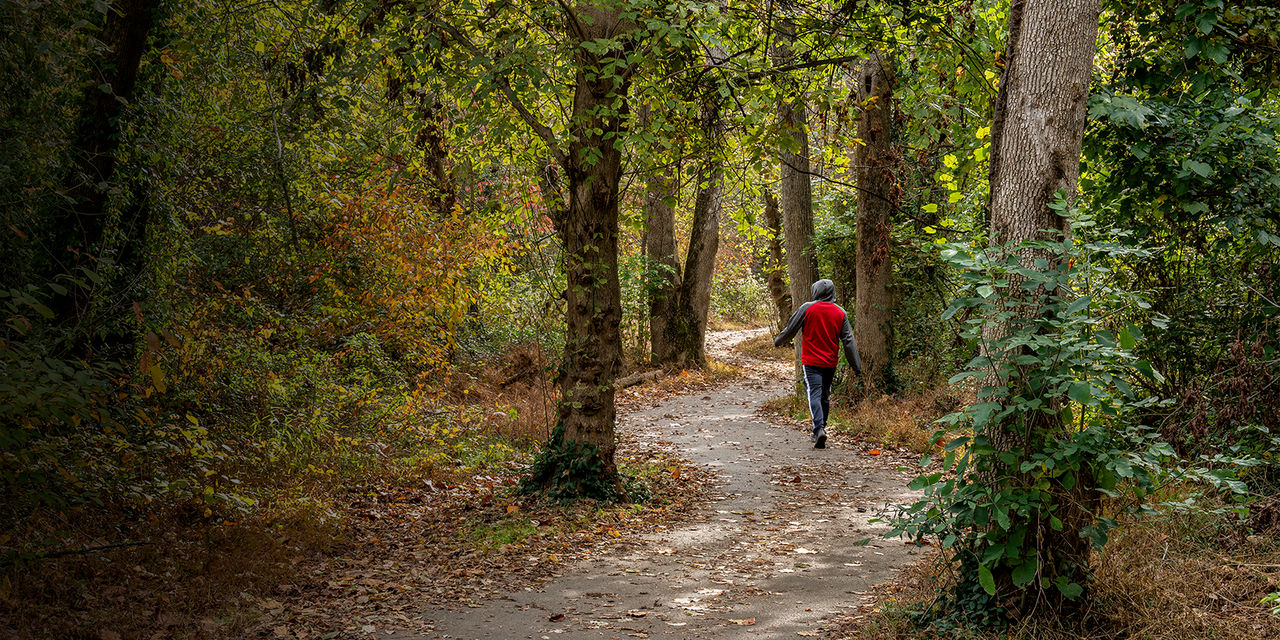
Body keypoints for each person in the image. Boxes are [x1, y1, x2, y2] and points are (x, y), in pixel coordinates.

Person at [773, 279, 861, 449]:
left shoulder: (807, 308)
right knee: (825, 395)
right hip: (830, 362)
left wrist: (779, 340)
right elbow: (848, 341)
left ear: (816, 291)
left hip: (811, 361)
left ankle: (818, 429)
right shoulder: (840, 312)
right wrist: (856, 367)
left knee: (814, 393)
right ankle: (821, 429)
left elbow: (791, 328)